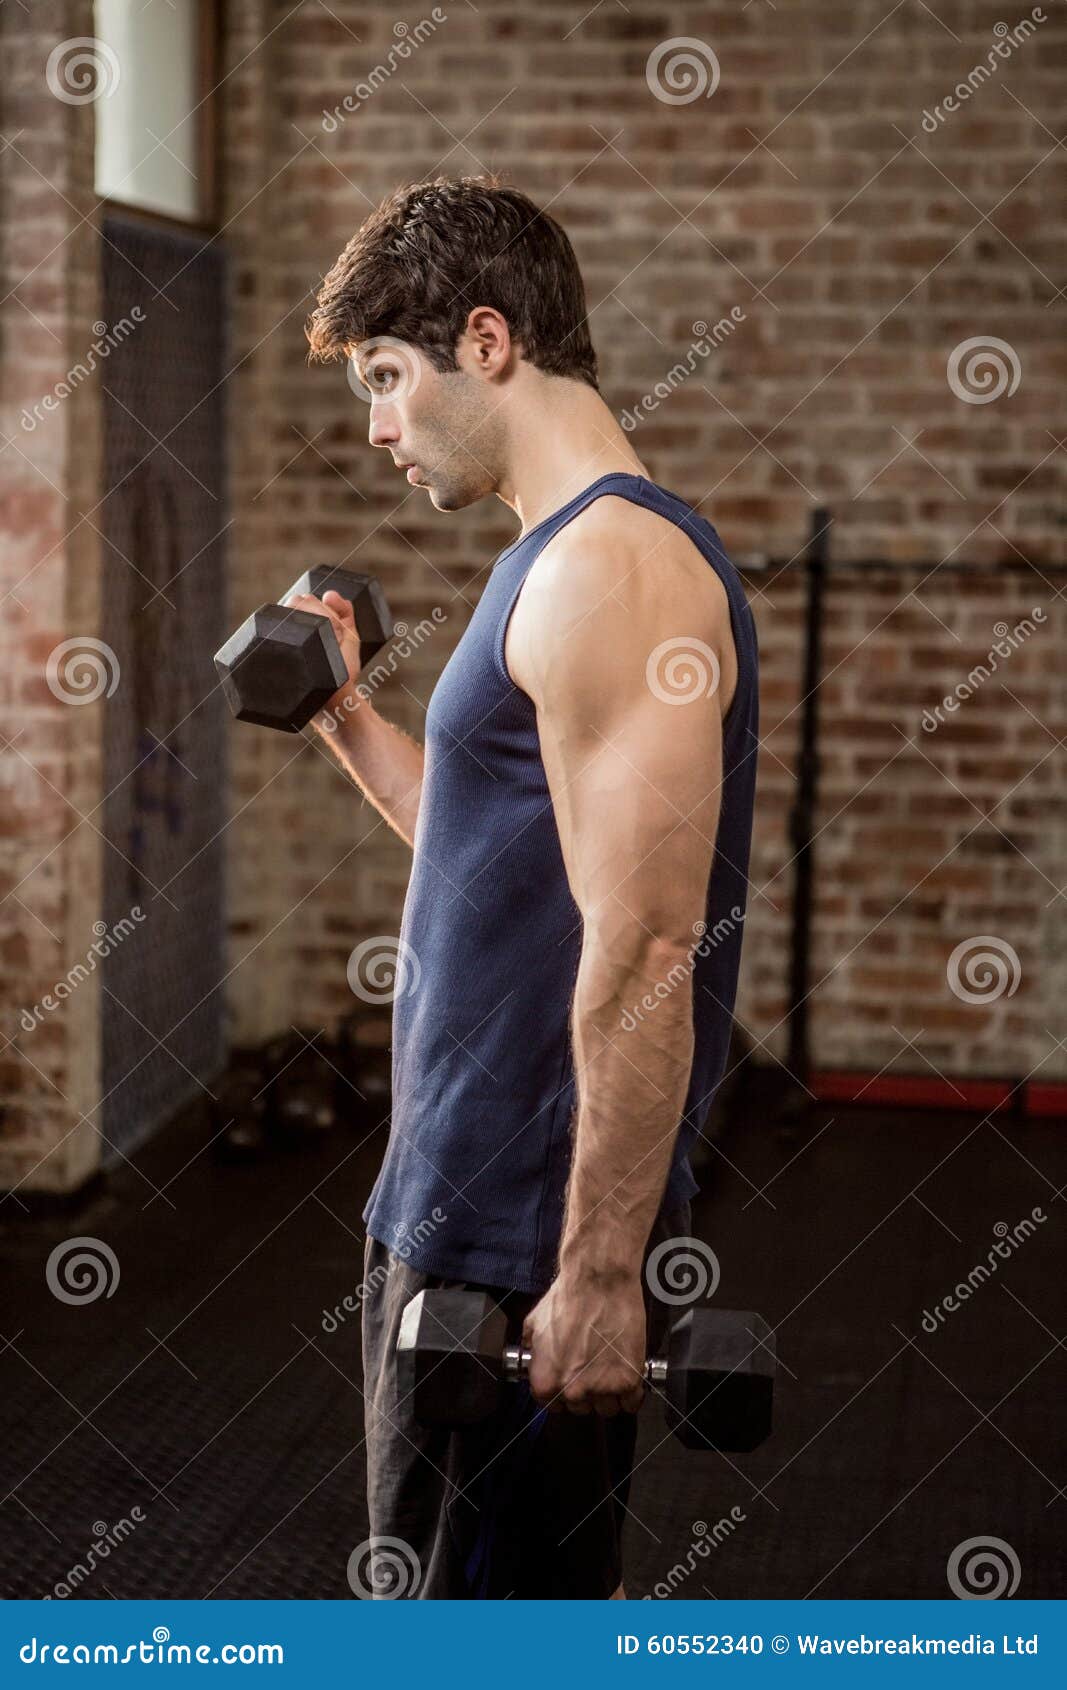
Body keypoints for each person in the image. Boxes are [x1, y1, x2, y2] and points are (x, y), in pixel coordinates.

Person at [295, 174, 760, 1599]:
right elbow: (502, 859)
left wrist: (605, 1270)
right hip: (459, 1199)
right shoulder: (548, 561)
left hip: (521, 1240)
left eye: (387, 377)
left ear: (486, 343)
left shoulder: (610, 568)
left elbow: (643, 944)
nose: (377, 426)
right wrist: (349, 720)